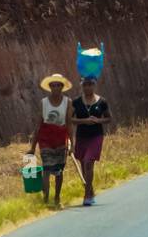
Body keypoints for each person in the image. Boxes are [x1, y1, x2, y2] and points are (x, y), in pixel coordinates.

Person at [29, 74, 72, 207]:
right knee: (47, 168)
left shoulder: (67, 102)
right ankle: (46, 198)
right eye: (53, 85)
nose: (55, 87)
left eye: (58, 85)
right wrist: (32, 146)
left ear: (62, 87)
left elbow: (69, 123)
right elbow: (38, 124)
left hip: (60, 137)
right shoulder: (44, 102)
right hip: (46, 137)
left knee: (59, 171)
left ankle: (57, 197)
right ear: (49, 87)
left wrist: (72, 143)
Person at [71, 77, 111, 207]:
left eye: (90, 84)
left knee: (89, 162)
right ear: (81, 86)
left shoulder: (102, 101)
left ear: (95, 85)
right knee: (83, 164)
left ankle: (87, 195)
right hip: (82, 136)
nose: (88, 87)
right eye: (85, 85)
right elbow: (70, 119)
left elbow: (109, 118)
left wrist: (98, 121)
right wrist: (84, 121)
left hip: (96, 136)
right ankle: (90, 189)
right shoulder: (76, 102)